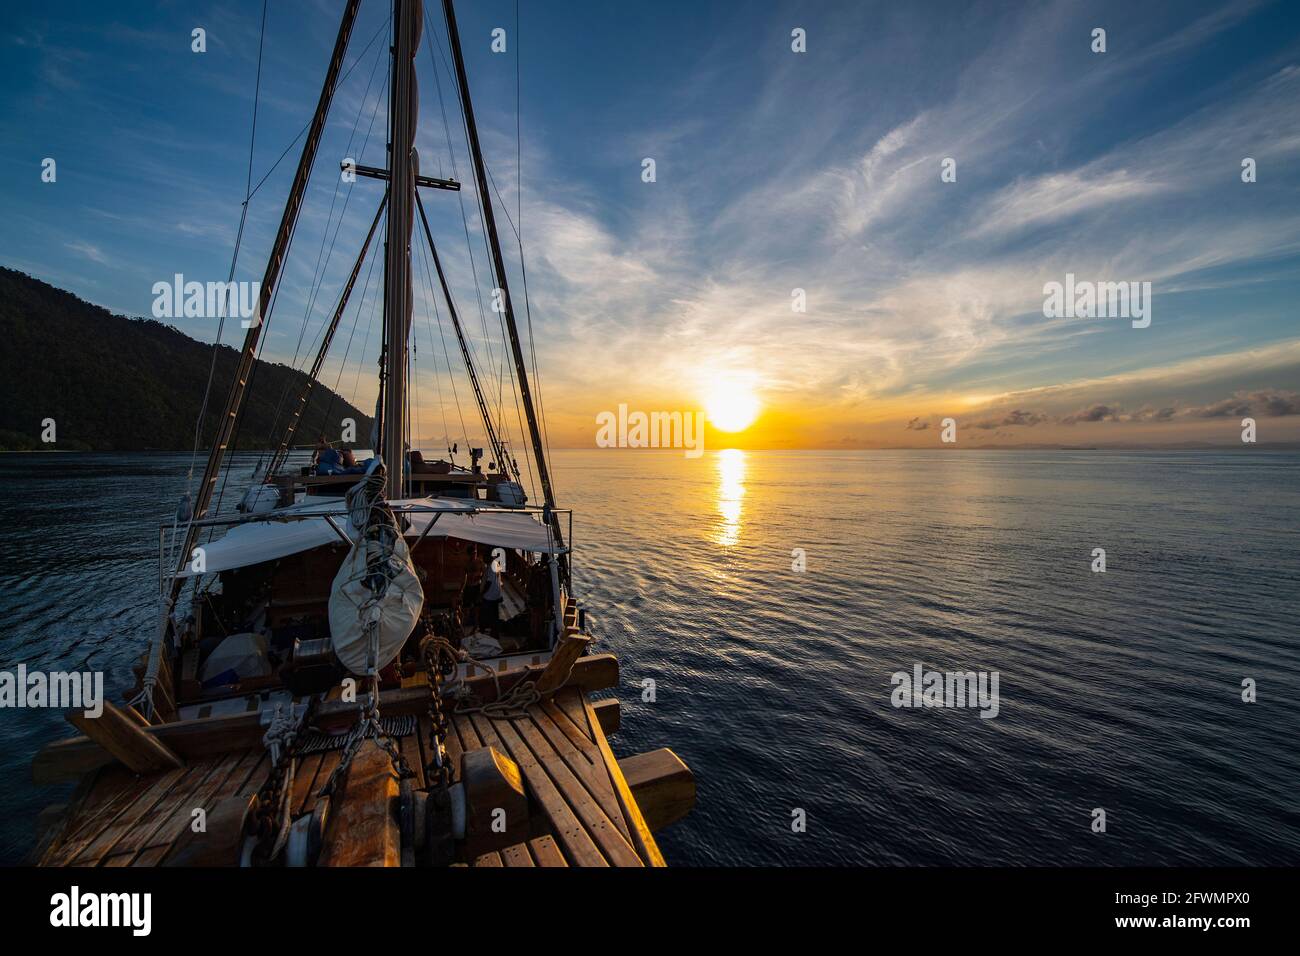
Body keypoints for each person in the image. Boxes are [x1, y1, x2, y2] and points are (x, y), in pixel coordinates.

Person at [480, 551, 503, 639]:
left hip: (489, 596)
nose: (483, 559)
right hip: (496, 595)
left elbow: (489, 582)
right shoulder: (496, 564)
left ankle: (482, 633)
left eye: (485, 557)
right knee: (495, 615)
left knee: (484, 615)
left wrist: (481, 594)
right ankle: (495, 633)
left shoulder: (490, 566)